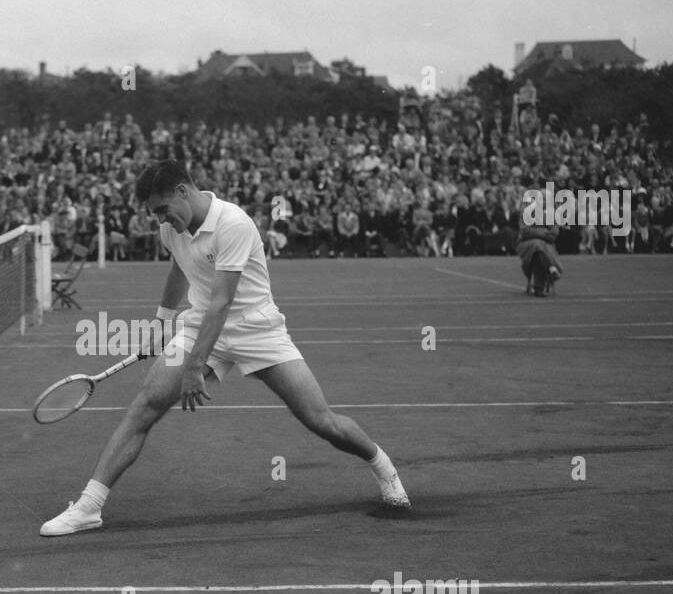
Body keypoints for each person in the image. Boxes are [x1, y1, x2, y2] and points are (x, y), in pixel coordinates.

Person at [40, 160, 410, 537]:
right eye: (155, 214)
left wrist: (192, 368)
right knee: (144, 406)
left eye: (163, 209)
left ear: (183, 191)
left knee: (321, 421)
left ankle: (383, 467)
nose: (162, 220)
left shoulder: (233, 223)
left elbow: (223, 303)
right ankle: (89, 506)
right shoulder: (172, 229)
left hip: (256, 327)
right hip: (200, 322)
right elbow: (178, 269)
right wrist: (161, 320)